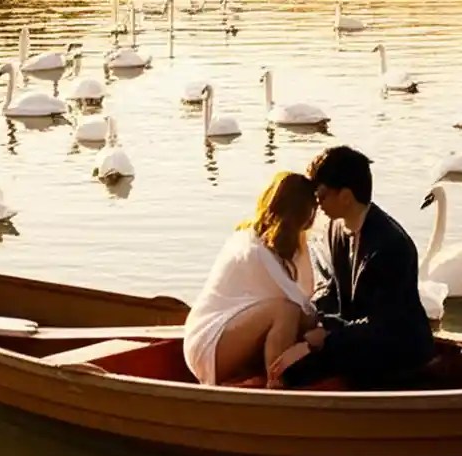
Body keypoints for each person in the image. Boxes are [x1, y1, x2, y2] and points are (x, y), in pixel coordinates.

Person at [271, 145, 435, 389]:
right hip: (355, 337)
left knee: (297, 372)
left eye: (322, 195)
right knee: (290, 360)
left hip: (395, 347)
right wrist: (310, 315)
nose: (317, 204)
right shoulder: (336, 228)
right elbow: (335, 289)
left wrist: (322, 340)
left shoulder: (390, 246)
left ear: (346, 196)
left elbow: (383, 323)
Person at [183, 171, 320, 388]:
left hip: (233, 332)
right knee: (287, 312)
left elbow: (307, 293)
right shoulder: (255, 250)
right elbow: (302, 306)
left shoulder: (280, 244)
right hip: (209, 343)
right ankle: (276, 385)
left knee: (295, 316)